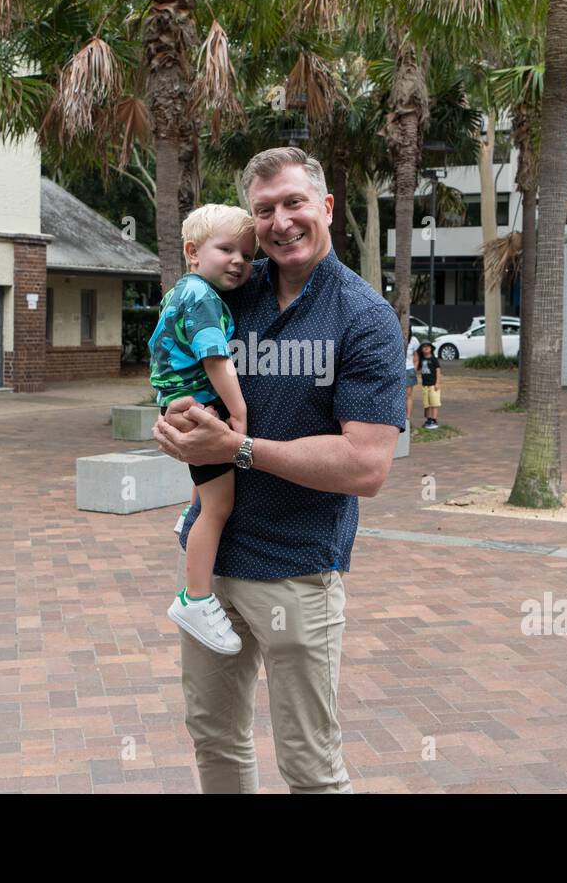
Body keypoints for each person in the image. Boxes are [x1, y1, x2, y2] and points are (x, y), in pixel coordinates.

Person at [153, 147, 404, 793]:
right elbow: (181, 363)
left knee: (310, 767)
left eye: (294, 203)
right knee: (214, 739)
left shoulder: (365, 318)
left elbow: (367, 465)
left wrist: (235, 449)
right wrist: (175, 424)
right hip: (211, 575)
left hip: (298, 570)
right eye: (264, 209)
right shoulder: (230, 290)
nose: (280, 221)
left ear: (325, 207)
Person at [149, 204, 254, 655]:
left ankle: (187, 516)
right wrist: (240, 412)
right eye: (226, 249)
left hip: (179, 402)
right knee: (220, 506)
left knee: (204, 496)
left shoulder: (182, 291)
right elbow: (216, 360)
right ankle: (195, 598)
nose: (239, 261)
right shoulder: (206, 299)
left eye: (248, 256)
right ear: (193, 252)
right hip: (199, 406)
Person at [417, 340, 442, 429]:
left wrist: (437, 383)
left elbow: (438, 371)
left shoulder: (434, 359)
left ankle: (434, 419)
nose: (426, 348)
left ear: (431, 349)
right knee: (426, 404)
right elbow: (417, 368)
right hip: (425, 385)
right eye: (424, 347)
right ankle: (428, 419)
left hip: (433, 385)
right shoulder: (422, 359)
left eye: (428, 346)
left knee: (434, 403)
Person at [405, 331, 420, 426]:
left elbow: (416, 357)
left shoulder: (414, 340)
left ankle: (408, 417)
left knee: (408, 395)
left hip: (408, 369)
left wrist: (414, 369)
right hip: (397, 369)